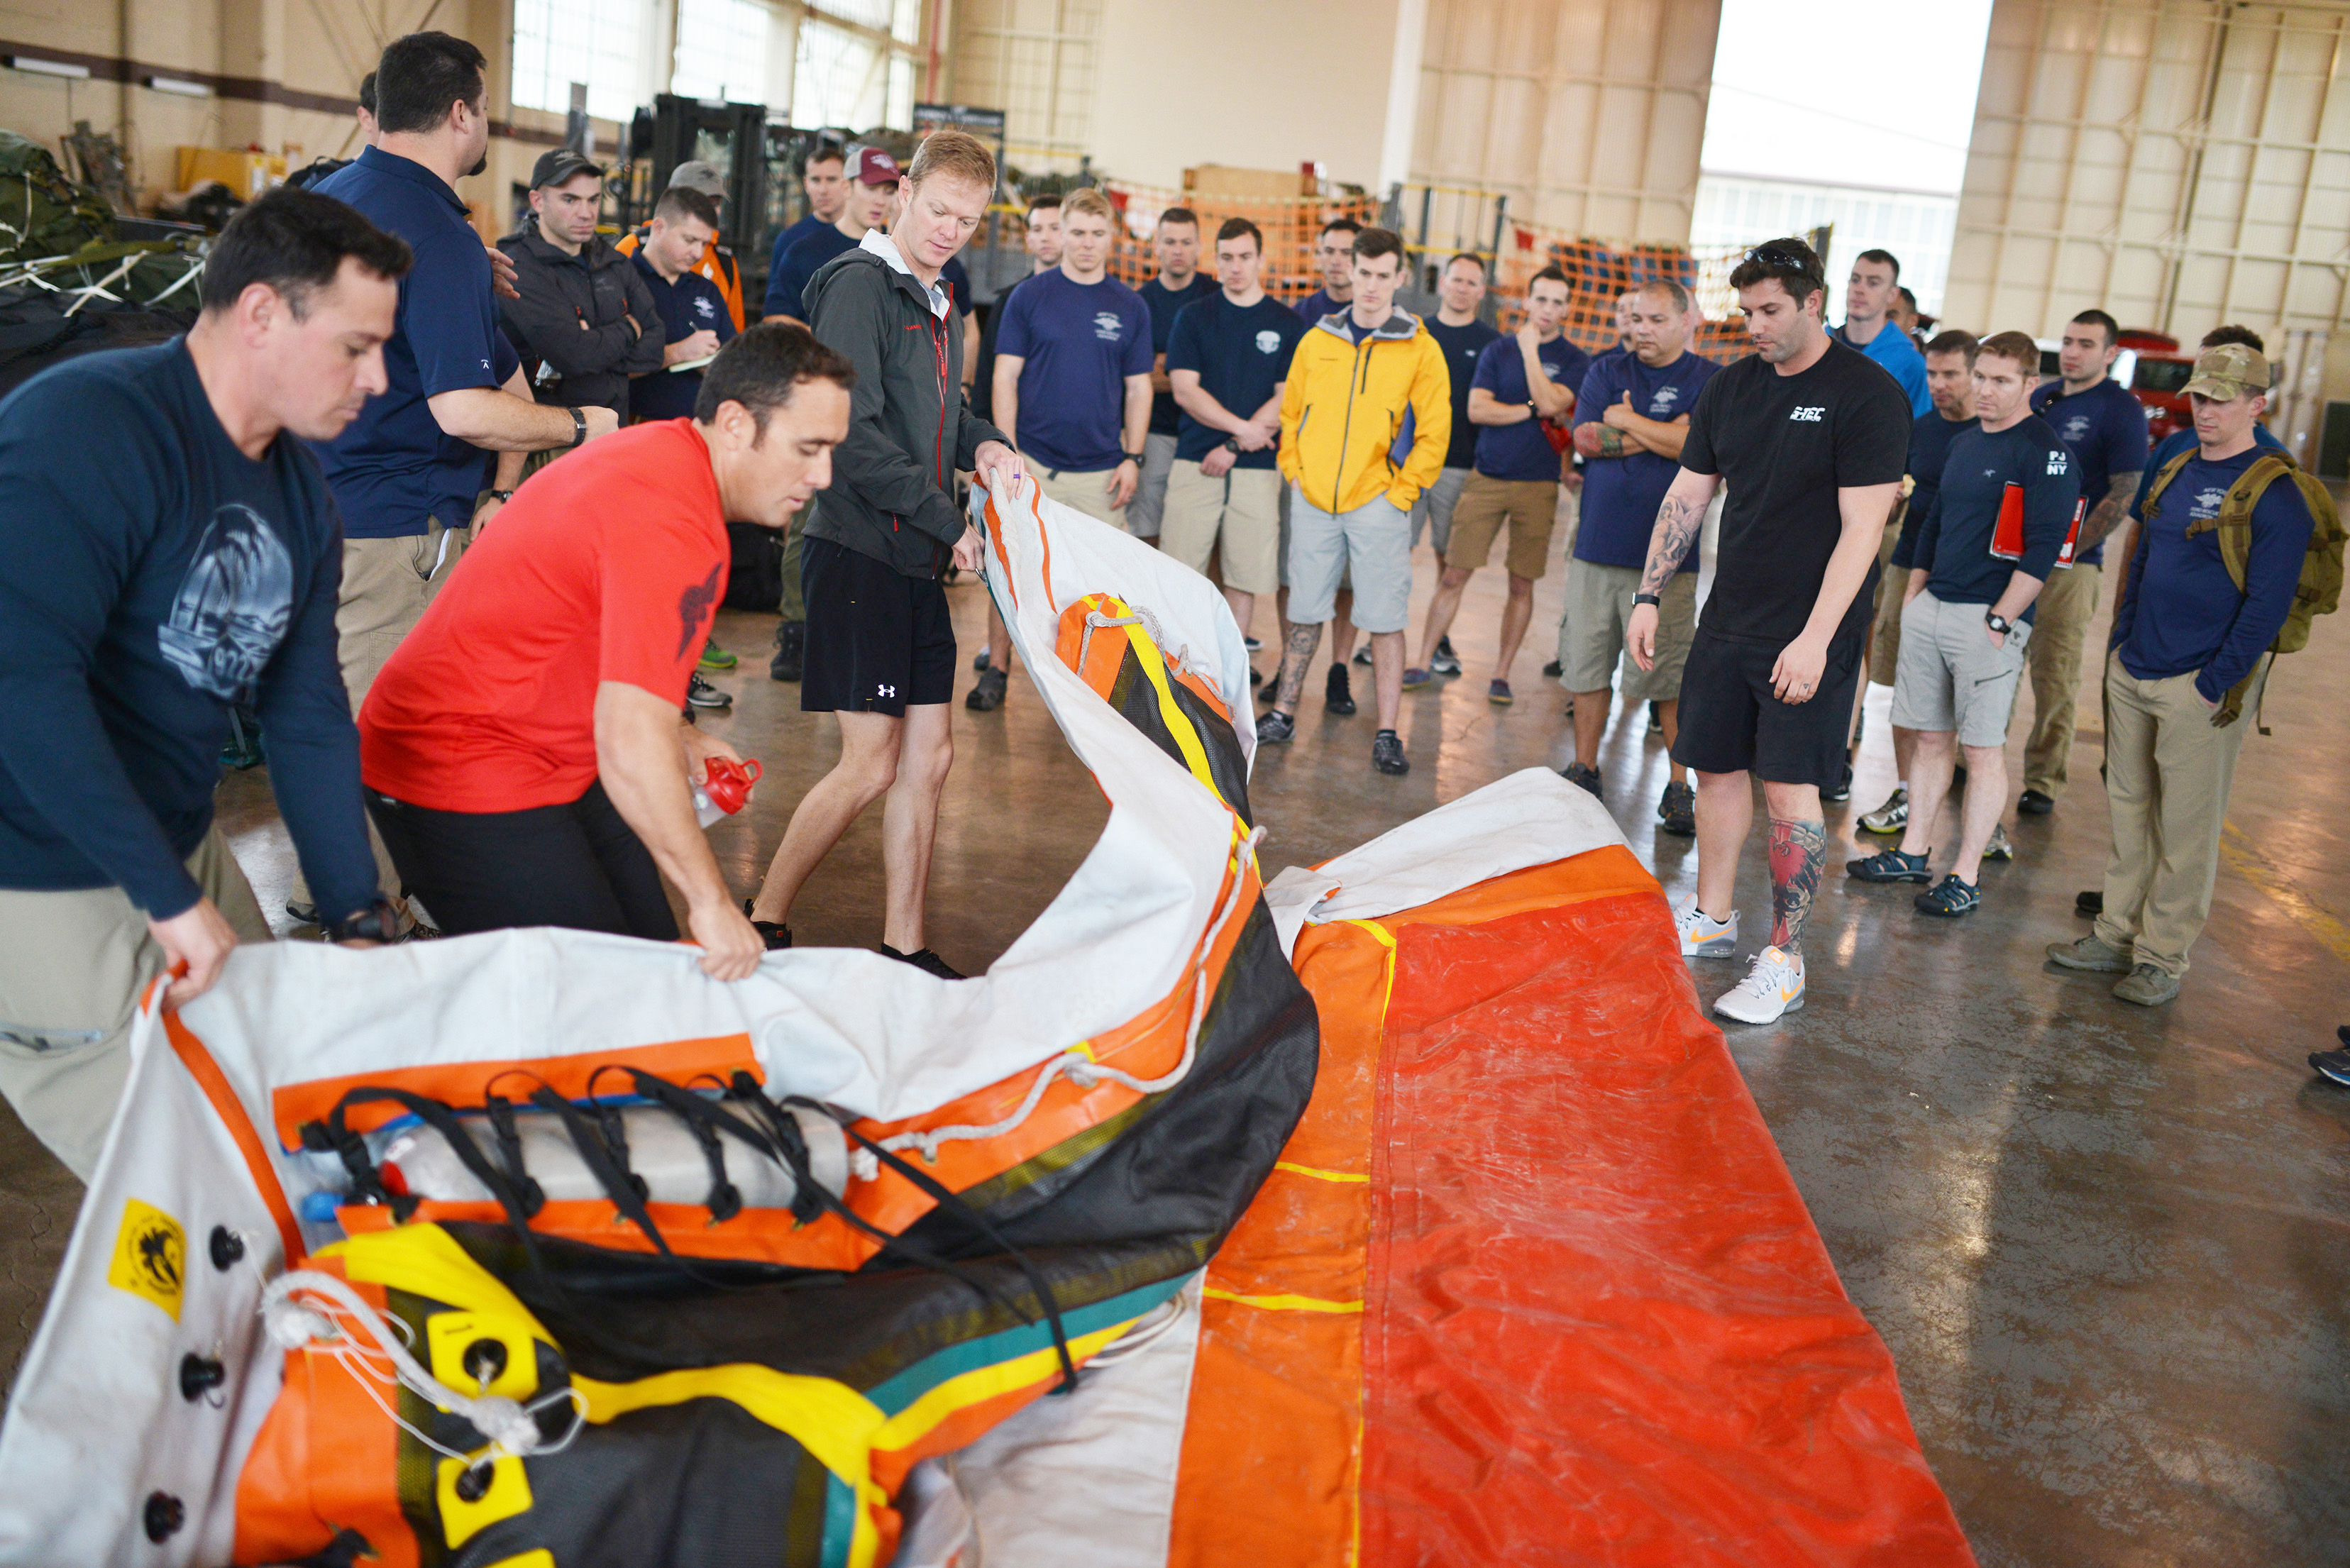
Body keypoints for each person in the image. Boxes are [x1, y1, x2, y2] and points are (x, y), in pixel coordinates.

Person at [0, 189, 409, 1178]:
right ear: (262, 312)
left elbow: (307, 715)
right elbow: (22, 684)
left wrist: (356, 914)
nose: (379, 378)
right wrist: (164, 894)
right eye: (356, 347)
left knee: (293, 1114)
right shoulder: (86, 427)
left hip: (177, 835)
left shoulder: (298, 492)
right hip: (39, 862)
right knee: (192, 1180)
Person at [360, 326, 844, 972]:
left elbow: (609, 647)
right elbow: (630, 737)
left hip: (549, 744)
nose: (822, 475)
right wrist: (711, 902)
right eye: (808, 449)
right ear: (734, 424)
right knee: (597, 989)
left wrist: (682, 734)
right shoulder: (674, 519)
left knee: (646, 961)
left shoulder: (668, 454)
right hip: (457, 761)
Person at [309, 33, 609, 923]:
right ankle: (360, 916)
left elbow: (491, 363)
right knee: (381, 729)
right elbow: (462, 408)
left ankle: (333, 890)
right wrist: (583, 426)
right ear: (458, 115)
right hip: (394, 520)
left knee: (338, 711)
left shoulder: (334, 200)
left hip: (322, 502)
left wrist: (506, 487)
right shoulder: (436, 232)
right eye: (482, 109)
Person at [749, 130, 1024, 977]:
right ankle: (763, 916)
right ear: (903, 192)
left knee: (930, 759)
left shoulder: (935, 296)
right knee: (870, 764)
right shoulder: (859, 287)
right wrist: (949, 520)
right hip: (859, 550)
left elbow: (943, 411)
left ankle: (904, 943)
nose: (949, 231)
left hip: (912, 556)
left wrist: (985, 443)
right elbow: (854, 435)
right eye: (938, 210)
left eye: (967, 221)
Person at [1626, 237, 1908, 1025]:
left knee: (1789, 789)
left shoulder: (1867, 395)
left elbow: (1863, 529)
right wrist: (1649, 595)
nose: (1754, 325)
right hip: (1730, 618)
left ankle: (1785, 959)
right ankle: (1712, 918)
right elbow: (1687, 496)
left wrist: (1816, 638)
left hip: (1812, 628)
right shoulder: (1732, 388)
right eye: (1746, 310)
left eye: (1771, 310)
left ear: (1814, 303)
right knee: (1714, 770)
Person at [2049, 344, 2323, 1006]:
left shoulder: (2278, 494)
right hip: (2135, 667)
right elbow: (2143, 556)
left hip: (2198, 684)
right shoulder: (2174, 465)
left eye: (2222, 399)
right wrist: (2121, 643)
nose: (2206, 410)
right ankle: (2115, 935)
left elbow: (2268, 605)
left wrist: (2214, 681)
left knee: (2186, 832)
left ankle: (2161, 959)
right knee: (2129, 812)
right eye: (2201, 396)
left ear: (2258, 405)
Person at [1846, 331, 2075, 917]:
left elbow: (2046, 548)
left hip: (1988, 618)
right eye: (1982, 378)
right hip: (1935, 606)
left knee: (1982, 750)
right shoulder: (1966, 442)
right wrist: (1917, 593)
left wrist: (2001, 619)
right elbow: (1934, 519)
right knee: (1929, 737)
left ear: (2030, 384)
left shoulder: (2044, 451)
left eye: (2002, 381)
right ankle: (1913, 851)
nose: (1986, 390)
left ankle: (1966, 874)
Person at [1257, 226, 1448, 777]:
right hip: (1314, 498)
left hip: (1379, 502)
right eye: (1363, 273)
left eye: (1383, 275)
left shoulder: (1420, 348)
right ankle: (1284, 712)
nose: (1370, 285)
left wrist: (1401, 493)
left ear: (1400, 277)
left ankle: (1388, 733)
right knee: (1304, 609)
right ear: (1351, 271)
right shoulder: (1318, 340)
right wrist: (1295, 472)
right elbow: (1292, 412)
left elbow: (1435, 432)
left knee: (1384, 618)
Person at [1557, 278, 1718, 831]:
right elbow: (1585, 440)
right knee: (1587, 664)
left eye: (1656, 320)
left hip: (1669, 560)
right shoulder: (1606, 370)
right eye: (1637, 319)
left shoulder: (1710, 381)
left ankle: (1679, 787)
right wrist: (1664, 434)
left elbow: (1700, 450)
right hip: (1597, 548)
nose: (1642, 330)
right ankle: (1584, 769)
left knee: (1668, 677)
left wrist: (1624, 421)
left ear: (1686, 321)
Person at [1406, 264, 1584, 707]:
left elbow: (1555, 402)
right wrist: (1532, 408)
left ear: (1567, 308)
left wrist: (1530, 354)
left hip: (1538, 486)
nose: (1547, 309)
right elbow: (1478, 409)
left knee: (1522, 584)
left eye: (1557, 302)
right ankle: (1423, 660)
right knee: (1454, 573)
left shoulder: (1574, 359)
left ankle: (1501, 674)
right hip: (1486, 478)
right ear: (1527, 301)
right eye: (1540, 299)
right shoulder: (1497, 351)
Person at [2012, 308, 2149, 817]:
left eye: (2086, 344)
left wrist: (2064, 551)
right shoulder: (2041, 398)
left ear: (2110, 353)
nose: (2072, 352)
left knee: (2055, 677)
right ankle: (1967, 758)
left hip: (2072, 569)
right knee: (1996, 666)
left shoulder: (2121, 410)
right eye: (2068, 341)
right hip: (2013, 557)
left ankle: (2043, 780)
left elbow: (2124, 492)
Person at [1859, 329, 1979, 837]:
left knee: (1969, 698)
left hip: (1967, 580)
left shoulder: (1992, 436)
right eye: (1932, 374)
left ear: (1975, 373)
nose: (1939, 384)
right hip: (1908, 568)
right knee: (1904, 688)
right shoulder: (1921, 429)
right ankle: (1907, 792)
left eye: (1951, 374)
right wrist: (1890, 504)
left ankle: (1975, 809)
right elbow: (1896, 502)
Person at [1163, 217, 1306, 639]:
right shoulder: (1194, 317)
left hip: (1256, 468)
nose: (1236, 266)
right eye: (1227, 258)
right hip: (1195, 461)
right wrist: (1242, 430)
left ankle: (1230, 670)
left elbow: (1288, 398)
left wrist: (1233, 445)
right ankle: (1178, 668)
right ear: (1216, 261)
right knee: (1180, 573)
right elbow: (1185, 391)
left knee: (1244, 578)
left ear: (1262, 260)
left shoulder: (1287, 322)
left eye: (1245, 257)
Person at [964, 192, 1065, 693]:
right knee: (1008, 562)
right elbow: (990, 381)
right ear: (1027, 237)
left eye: (1055, 227)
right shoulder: (1011, 301)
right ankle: (998, 665)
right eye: (1037, 228)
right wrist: (990, 448)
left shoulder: (1093, 301)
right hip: (1020, 457)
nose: (1046, 237)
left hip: (1080, 462)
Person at [496, 148, 662, 431]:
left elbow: (655, 348)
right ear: (538, 201)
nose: (586, 213)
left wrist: (592, 348)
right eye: (570, 200)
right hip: (552, 438)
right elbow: (573, 356)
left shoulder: (613, 262)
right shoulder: (517, 266)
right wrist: (629, 328)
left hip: (612, 434)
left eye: (593, 200)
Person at [1411, 253, 1500, 678]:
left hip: (1460, 466)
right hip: (1411, 465)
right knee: (1394, 554)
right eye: (1457, 279)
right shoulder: (1417, 332)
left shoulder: (1492, 343)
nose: (1462, 288)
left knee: (1449, 562)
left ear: (1481, 291)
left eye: (1471, 283)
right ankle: (1381, 636)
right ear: (1442, 282)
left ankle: (1439, 639)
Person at [1127, 206, 1217, 548]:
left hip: (1208, 434)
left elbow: (1220, 370)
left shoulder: (1216, 298)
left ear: (1199, 248)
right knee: (1146, 532)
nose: (1178, 250)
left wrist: (1162, 366)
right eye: (1170, 242)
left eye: (1186, 242)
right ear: (1157, 247)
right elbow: (1134, 377)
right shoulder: (1139, 303)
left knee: (1202, 536)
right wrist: (1191, 370)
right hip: (1155, 433)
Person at [629, 187, 735, 421]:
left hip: (701, 427)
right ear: (659, 228)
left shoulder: (707, 289)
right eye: (690, 240)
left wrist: (716, 366)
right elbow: (603, 366)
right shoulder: (620, 280)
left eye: (704, 244)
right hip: (636, 426)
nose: (698, 253)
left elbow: (734, 359)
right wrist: (678, 353)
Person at [766, 148, 900, 329]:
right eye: (871, 189)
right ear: (847, 188)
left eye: (889, 192)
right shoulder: (803, 251)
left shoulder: (900, 254)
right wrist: (826, 339)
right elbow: (774, 318)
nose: (880, 201)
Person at [614, 161, 743, 330]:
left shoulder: (724, 261)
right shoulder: (631, 248)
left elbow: (735, 336)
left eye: (715, 204)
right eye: (699, 202)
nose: (697, 253)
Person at [1833, 248, 1931, 416]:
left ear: (1892, 294)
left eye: (1873, 283)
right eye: (1855, 280)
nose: (1859, 289)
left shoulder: (1910, 364)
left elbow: (1919, 427)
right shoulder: (1819, 347)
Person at [763, 143, 847, 317]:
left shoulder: (870, 237)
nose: (823, 190)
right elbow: (776, 312)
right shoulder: (789, 241)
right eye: (816, 180)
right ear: (806, 184)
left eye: (832, 179)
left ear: (847, 184)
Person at [1295, 217, 1362, 324]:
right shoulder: (1301, 314)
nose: (1335, 261)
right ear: (1320, 254)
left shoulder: (1379, 313)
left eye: (1346, 253)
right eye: (1329, 251)